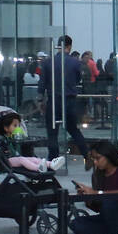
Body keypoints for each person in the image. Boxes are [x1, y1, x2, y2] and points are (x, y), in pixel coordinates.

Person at [41, 35, 91, 168]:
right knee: (74, 130)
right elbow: (78, 79)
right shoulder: (75, 63)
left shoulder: (48, 62)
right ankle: (87, 155)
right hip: (69, 100)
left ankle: (53, 159)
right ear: (70, 46)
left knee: (52, 132)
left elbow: (42, 83)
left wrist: (40, 100)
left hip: (53, 100)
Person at [0, 110, 64, 173]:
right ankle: (38, 168)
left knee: (33, 159)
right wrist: (10, 141)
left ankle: (51, 164)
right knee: (22, 159)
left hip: (17, 157)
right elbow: (4, 149)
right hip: (7, 160)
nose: (18, 128)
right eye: (15, 126)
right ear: (6, 128)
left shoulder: (15, 137)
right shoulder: (3, 139)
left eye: (19, 125)